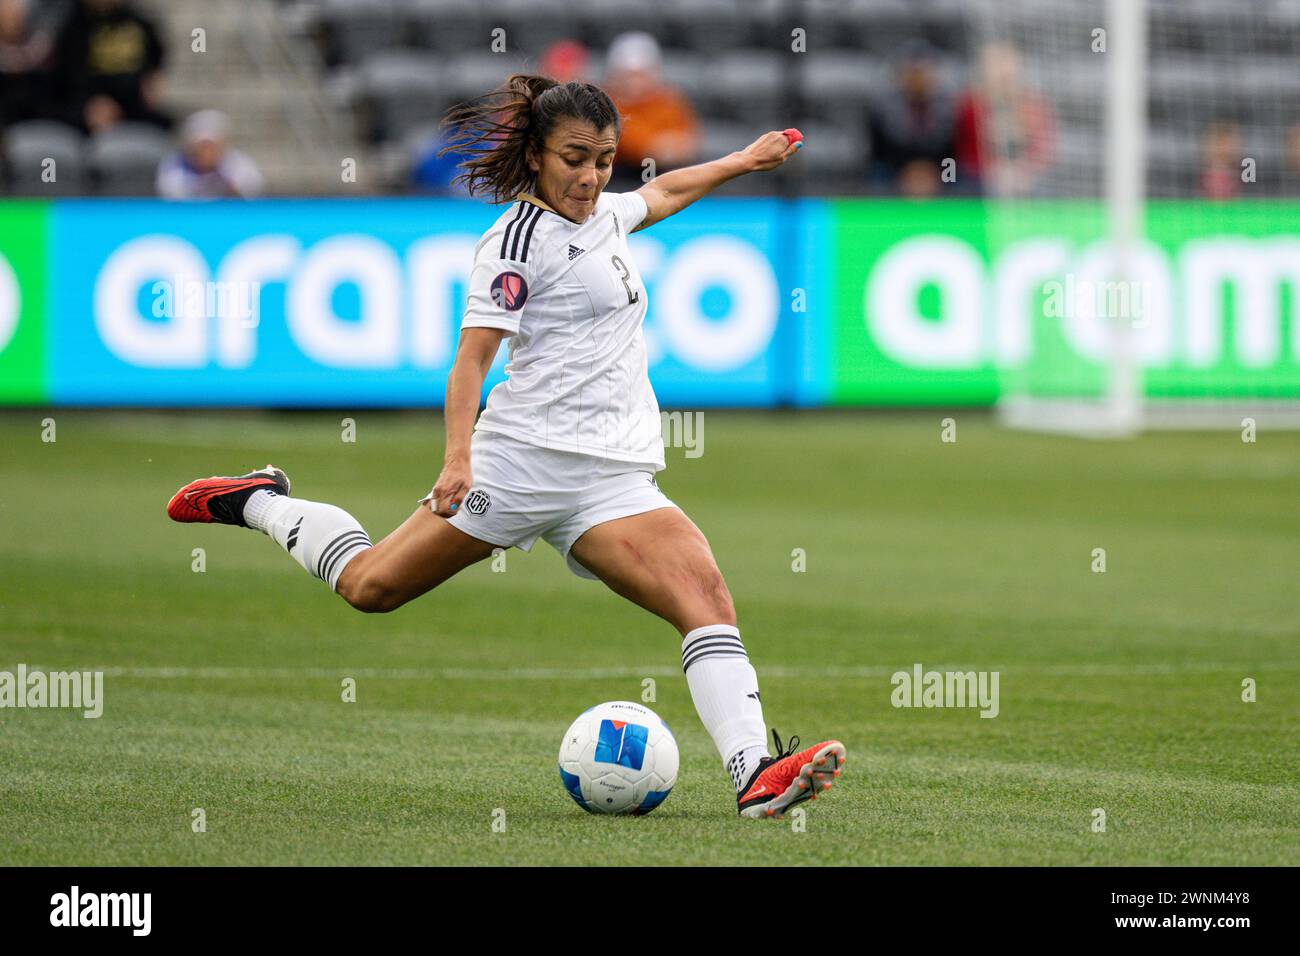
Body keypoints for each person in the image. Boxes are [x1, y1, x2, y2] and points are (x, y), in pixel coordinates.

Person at [166, 74, 845, 821]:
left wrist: (742, 161)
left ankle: (756, 776)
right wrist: (458, 459)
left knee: (707, 601)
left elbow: (663, 193)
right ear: (535, 154)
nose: (590, 177)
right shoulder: (515, 241)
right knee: (371, 589)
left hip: (612, 477)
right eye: (574, 158)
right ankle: (260, 501)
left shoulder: (603, 217)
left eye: (604, 159)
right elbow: (471, 361)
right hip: (518, 465)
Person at [50, 0, 169, 135]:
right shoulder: (73, 26)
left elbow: (155, 61)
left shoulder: (140, 24)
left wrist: (151, 81)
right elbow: (68, 76)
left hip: (134, 106)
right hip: (88, 108)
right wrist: (89, 102)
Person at [602, 32, 699, 191]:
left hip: (660, 177)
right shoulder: (606, 104)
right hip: (617, 184)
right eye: (628, 76)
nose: (634, 82)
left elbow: (688, 141)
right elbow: (629, 145)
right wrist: (655, 147)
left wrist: (668, 148)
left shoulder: (669, 101)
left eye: (640, 75)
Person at [157, 109, 264, 200]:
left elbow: (249, 192)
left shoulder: (240, 164)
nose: (207, 152)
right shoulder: (175, 165)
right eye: (202, 146)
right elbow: (173, 195)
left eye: (211, 146)